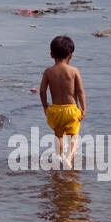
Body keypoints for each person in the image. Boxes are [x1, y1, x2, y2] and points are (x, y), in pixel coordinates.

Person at [39, 35, 85, 168]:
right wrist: (84, 108)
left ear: (51, 54)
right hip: (71, 110)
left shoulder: (48, 72)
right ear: (70, 55)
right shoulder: (74, 71)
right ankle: (69, 159)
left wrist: (45, 107)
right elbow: (80, 91)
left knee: (58, 135)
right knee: (73, 136)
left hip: (55, 110)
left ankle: (59, 157)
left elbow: (42, 91)